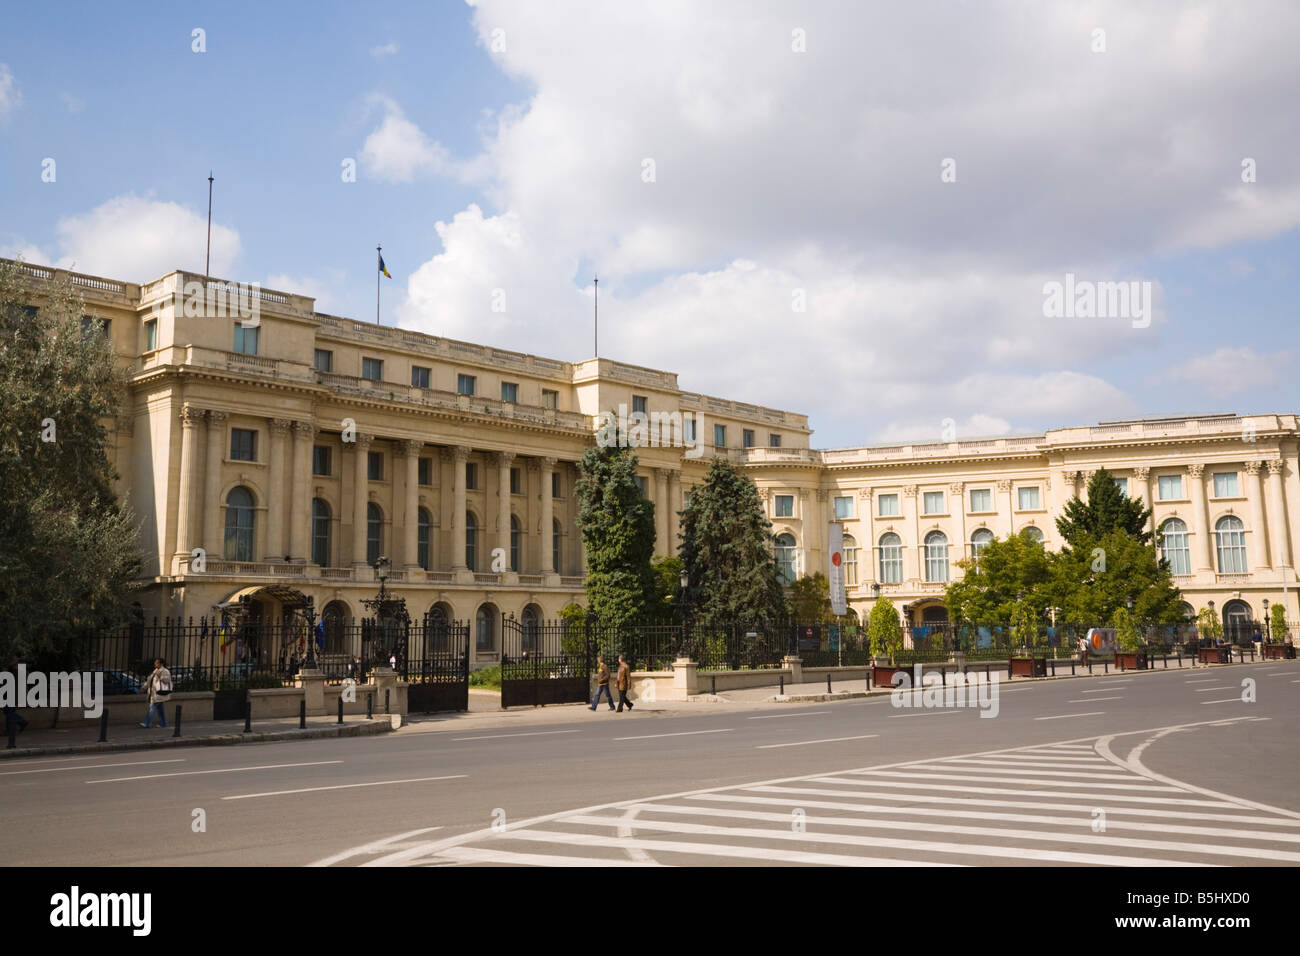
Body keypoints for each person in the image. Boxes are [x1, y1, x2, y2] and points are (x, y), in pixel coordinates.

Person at [139, 658, 173, 728]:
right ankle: (164, 723)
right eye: (155, 662)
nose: (155, 664)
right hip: (154, 693)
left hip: (159, 693)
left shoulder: (165, 671)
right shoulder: (155, 671)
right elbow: (149, 681)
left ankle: (147, 723)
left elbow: (167, 680)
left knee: (152, 708)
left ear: (161, 664)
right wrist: (143, 687)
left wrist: (160, 676)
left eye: (157, 663)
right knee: (161, 710)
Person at [2, 658, 28, 735]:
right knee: (8, 711)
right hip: (10, 694)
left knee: (9, 712)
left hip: (13, 695)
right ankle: (9, 730)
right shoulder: (14, 672)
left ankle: (22, 722)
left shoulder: (17, 672)